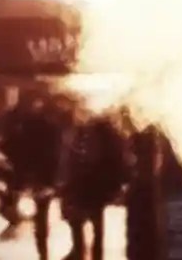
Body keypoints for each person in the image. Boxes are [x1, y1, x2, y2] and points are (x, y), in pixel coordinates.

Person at [59, 111, 127, 260]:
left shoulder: (99, 134)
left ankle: (81, 254)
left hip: (89, 188)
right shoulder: (85, 134)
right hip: (86, 188)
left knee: (89, 228)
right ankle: (81, 254)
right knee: (90, 228)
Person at [4, 93, 65, 260]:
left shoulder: (26, 125)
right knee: (41, 215)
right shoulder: (53, 128)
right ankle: (42, 250)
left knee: (37, 213)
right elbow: (56, 154)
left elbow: (17, 148)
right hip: (45, 176)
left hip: (30, 174)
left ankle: (41, 249)